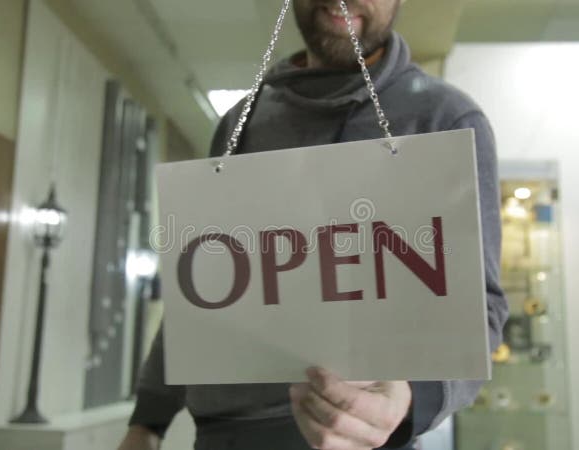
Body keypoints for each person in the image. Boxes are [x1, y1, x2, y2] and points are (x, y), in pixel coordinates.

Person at [119, 0, 508, 449]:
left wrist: (411, 395)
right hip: (222, 437)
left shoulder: (442, 120)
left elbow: (480, 307)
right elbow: (202, 290)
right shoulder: (241, 124)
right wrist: (147, 421)